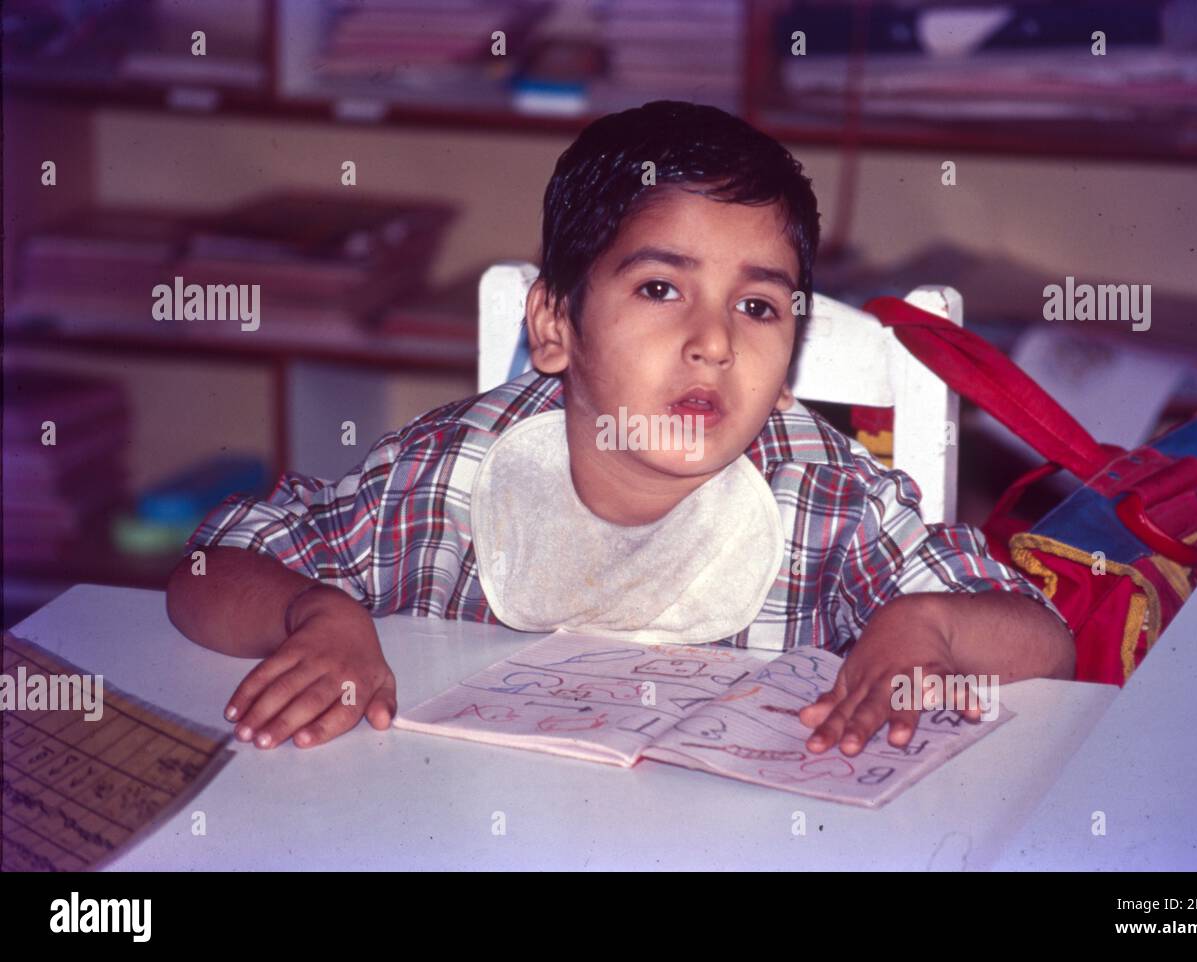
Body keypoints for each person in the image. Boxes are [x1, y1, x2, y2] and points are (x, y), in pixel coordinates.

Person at [167, 100, 1074, 757]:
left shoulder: (825, 496)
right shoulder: (449, 474)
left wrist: (928, 626)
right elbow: (208, 566)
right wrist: (316, 614)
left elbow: (1045, 640)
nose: (713, 341)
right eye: (659, 289)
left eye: (758, 306)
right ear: (555, 325)